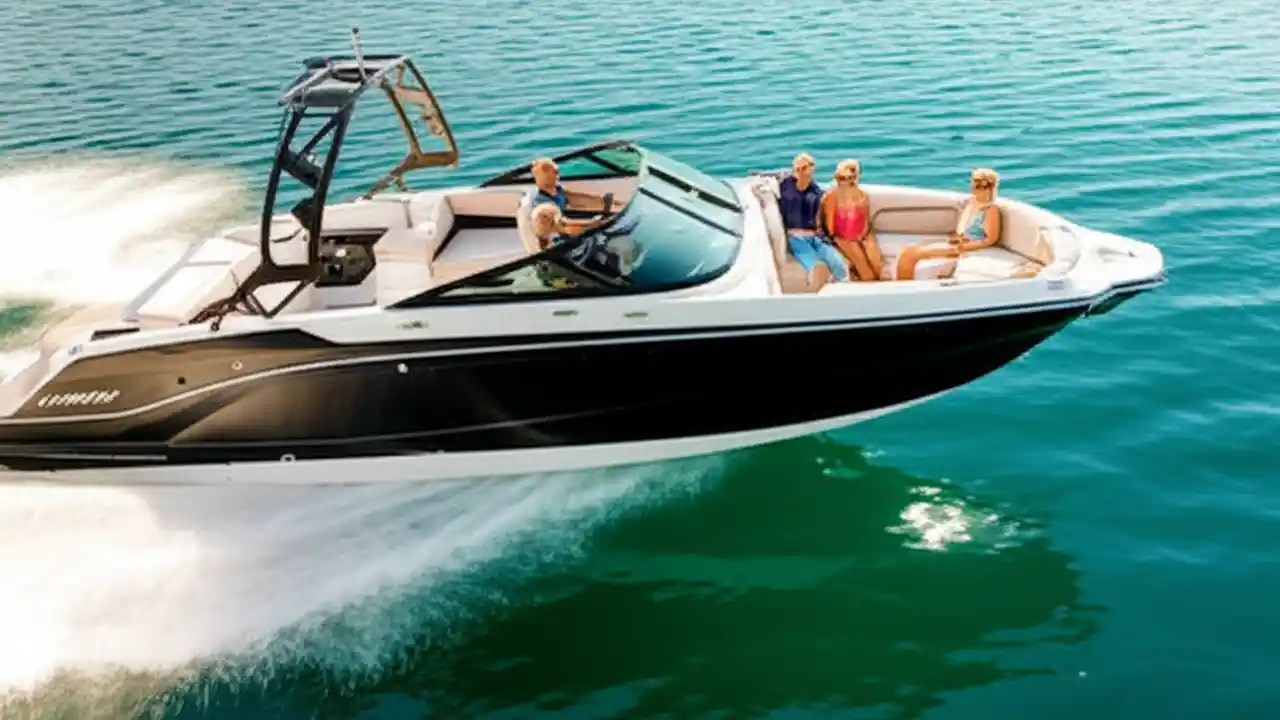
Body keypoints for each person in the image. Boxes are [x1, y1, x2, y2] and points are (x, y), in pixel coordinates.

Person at [896, 167, 1003, 280]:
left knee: (910, 256)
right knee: (907, 250)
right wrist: (957, 238)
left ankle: (904, 286)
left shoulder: (991, 210)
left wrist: (965, 247)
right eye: (975, 186)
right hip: (959, 243)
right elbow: (964, 228)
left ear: (990, 189)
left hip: (965, 248)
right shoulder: (973, 204)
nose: (975, 190)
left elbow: (990, 239)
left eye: (981, 187)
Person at [779, 152, 849, 284]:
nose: (808, 173)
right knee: (814, 263)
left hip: (815, 236)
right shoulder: (786, 185)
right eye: (802, 169)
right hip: (796, 236)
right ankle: (824, 280)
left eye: (809, 169)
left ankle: (841, 283)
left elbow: (819, 214)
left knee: (837, 262)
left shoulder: (815, 190)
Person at [820, 159, 882, 281]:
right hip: (842, 238)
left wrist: (863, 237)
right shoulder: (832, 198)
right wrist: (845, 242)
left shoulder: (863, 197)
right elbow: (830, 229)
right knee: (867, 273)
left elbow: (866, 221)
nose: (848, 181)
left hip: (862, 235)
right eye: (843, 178)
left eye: (852, 177)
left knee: (878, 267)